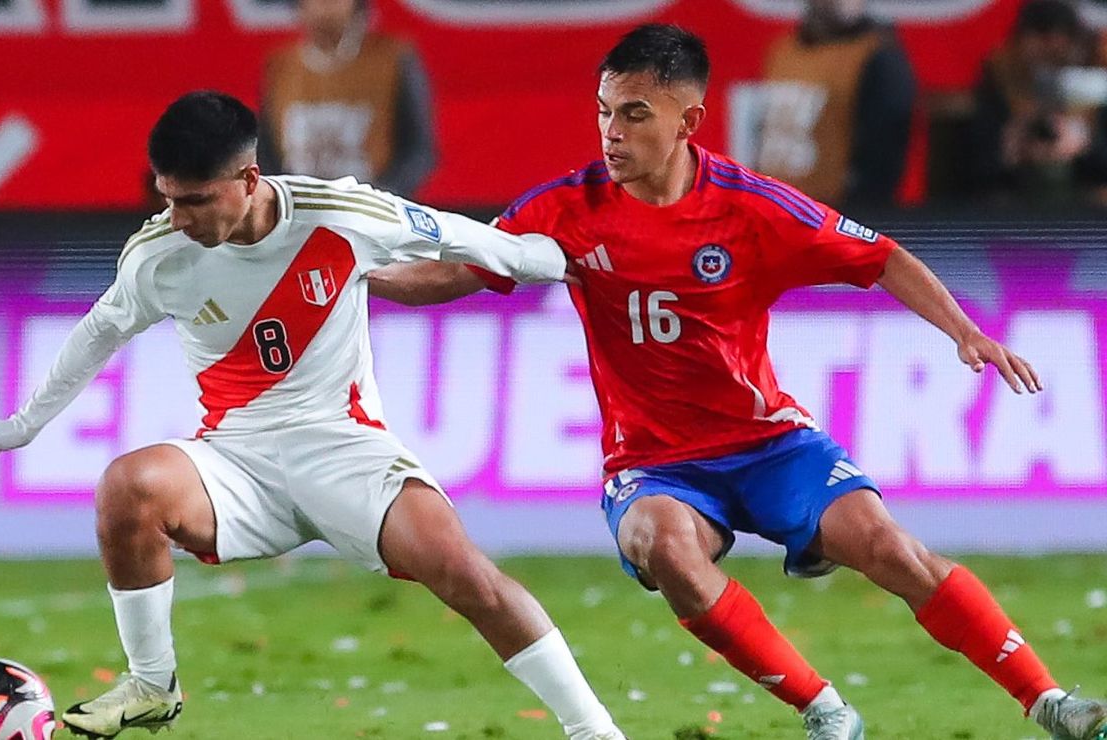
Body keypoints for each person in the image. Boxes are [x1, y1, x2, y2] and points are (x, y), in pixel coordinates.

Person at [367, 24, 1107, 740]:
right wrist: (361, 273)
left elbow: (881, 257)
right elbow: (451, 274)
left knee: (889, 547)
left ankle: (1049, 703)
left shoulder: (752, 206)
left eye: (634, 114)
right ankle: (824, 710)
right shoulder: (562, 209)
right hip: (654, 463)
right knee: (667, 547)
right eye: (603, 112)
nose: (611, 133)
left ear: (688, 121)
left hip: (769, 444)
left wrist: (966, 331)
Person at [0, 91, 625, 740]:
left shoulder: (338, 213)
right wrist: (22, 425)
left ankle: (593, 730)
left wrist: (543, 260)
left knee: (465, 574)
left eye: (197, 201)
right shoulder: (156, 257)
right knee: (126, 487)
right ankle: (152, 685)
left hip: (346, 449)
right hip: (235, 459)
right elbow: (96, 335)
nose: (180, 218)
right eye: (169, 199)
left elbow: (456, 236)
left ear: (250, 180)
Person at [258, 0, 435, 197]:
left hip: (370, 206)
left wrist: (379, 199)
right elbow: (267, 152)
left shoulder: (393, 58)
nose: (324, 5)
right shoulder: (281, 66)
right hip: (300, 206)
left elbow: (418, 151)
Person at [755, 0, 915, 208]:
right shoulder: (783, 51)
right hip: (774, 204)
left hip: (830, 211)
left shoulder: (878, 58)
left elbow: (880, 160)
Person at [969, 0, 1107, 207]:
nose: (1050, 57)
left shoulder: (1094, 82)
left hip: (1085, 194)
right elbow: (980, 165)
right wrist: (1014, 146)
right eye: (1041, 46)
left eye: (1058, 55)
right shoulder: (1000, 78)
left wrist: (1085, 144)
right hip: (1013, 197)